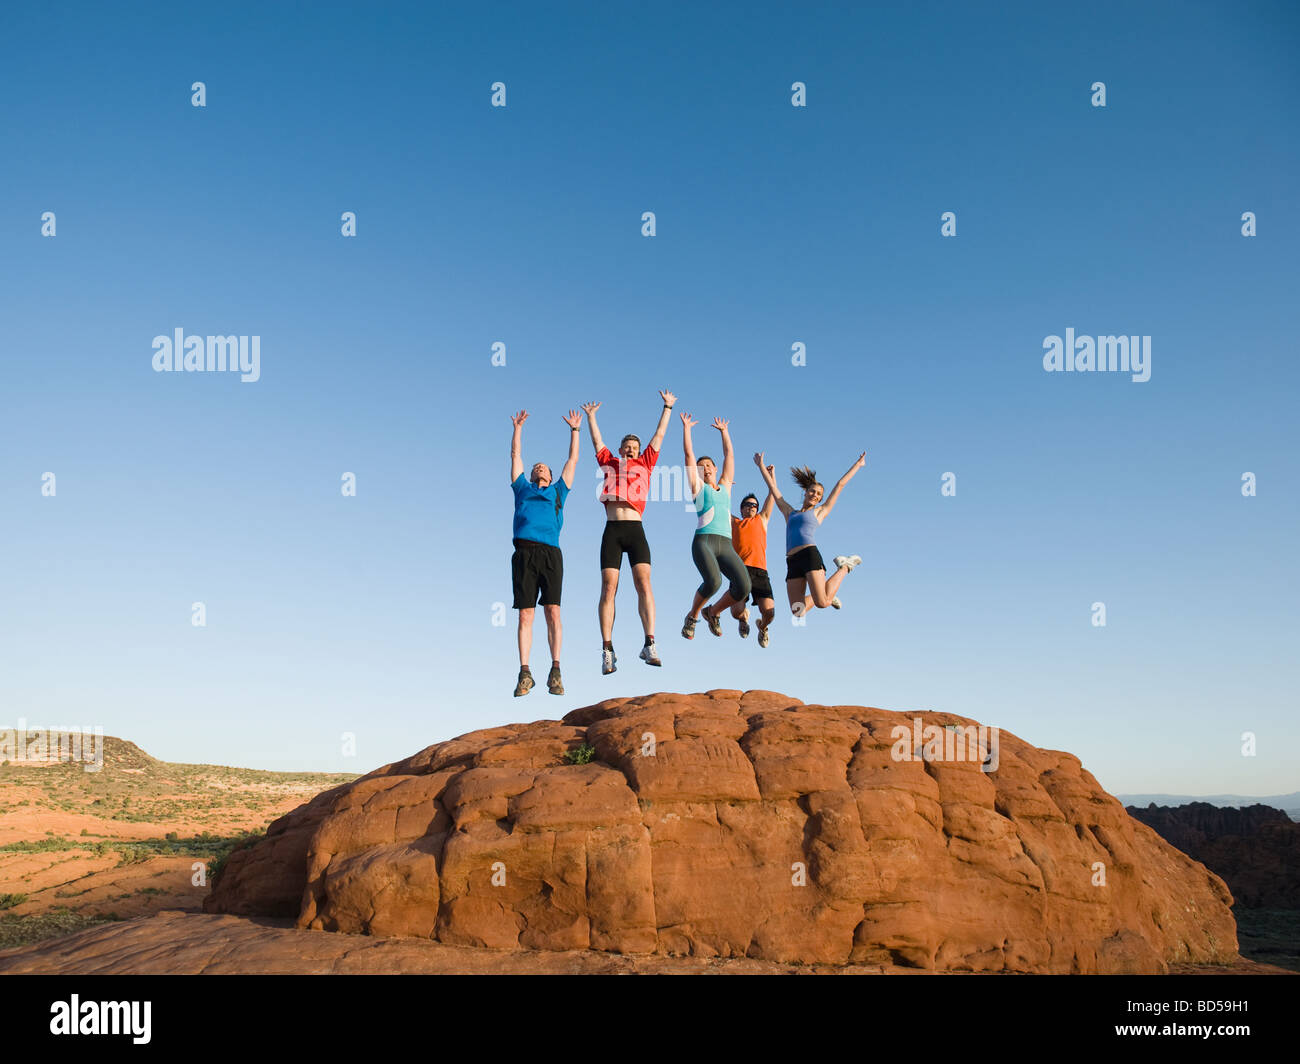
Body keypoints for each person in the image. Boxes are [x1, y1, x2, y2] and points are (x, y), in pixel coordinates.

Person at [581, 391, 676, 674]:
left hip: (635, 529)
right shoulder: (609, 462)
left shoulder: (646, 462)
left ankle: (649, 643)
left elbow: (659, 436)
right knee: (609, 588)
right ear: (621, 449)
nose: (631, 449)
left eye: (635, 446)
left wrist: (667, 407)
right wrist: (591, 417)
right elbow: (597, 442)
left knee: (644, 583)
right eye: (627, 445)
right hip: (612, 529)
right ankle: (607, 650)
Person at [508, 409, 580, 696]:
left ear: (550, 476)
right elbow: (515, 456)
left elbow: (572, 460)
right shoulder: (522, 489)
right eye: (535, 466)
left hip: (551, 555)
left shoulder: (558, 492)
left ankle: (556, 671)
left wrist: (575, 430)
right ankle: (525, 674)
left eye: (543, 467)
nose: (539, 468)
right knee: (526, 616)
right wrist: (518, 428)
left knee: (553, 611)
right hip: (524, 555)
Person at [754, 450, 866, 617]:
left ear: (820, 499)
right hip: (792, 561)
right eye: (812, 491)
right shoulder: (789, 512)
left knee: (823, 603)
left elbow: (840, 484)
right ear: (805, 492)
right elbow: (773, 489)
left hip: (809, 555)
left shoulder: (820, 512)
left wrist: (858, 464)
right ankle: (826, 591)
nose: (815, 495)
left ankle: (845, 567)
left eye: (819, 494)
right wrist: (761, 466)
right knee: (798, 612)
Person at [680, 415, 751, 639]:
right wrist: (686, 429)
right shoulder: (698, 488)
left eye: (708, 465)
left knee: (743, 586)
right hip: (704, 542)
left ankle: (713, 612)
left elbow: (729, 454)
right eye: (701, 467)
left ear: (715, 468)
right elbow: (689, 456)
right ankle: (692, 616)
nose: (705, 469)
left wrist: (724, 432)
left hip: (726, 545)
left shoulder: (726, 486)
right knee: (714, 582)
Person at [729, 468, 777, 647]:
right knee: (736, 612)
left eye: (755, 505)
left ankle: (762, 627)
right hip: (739, 571)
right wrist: (726, 485)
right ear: (741, 509)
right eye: (748, 505)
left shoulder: (762, 519)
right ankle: (743, 619)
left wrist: (771, 476)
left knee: (769, 613)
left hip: (760, 572)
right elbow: (720, 505)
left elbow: (772, 495)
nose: (752, 507)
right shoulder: (734, 522)